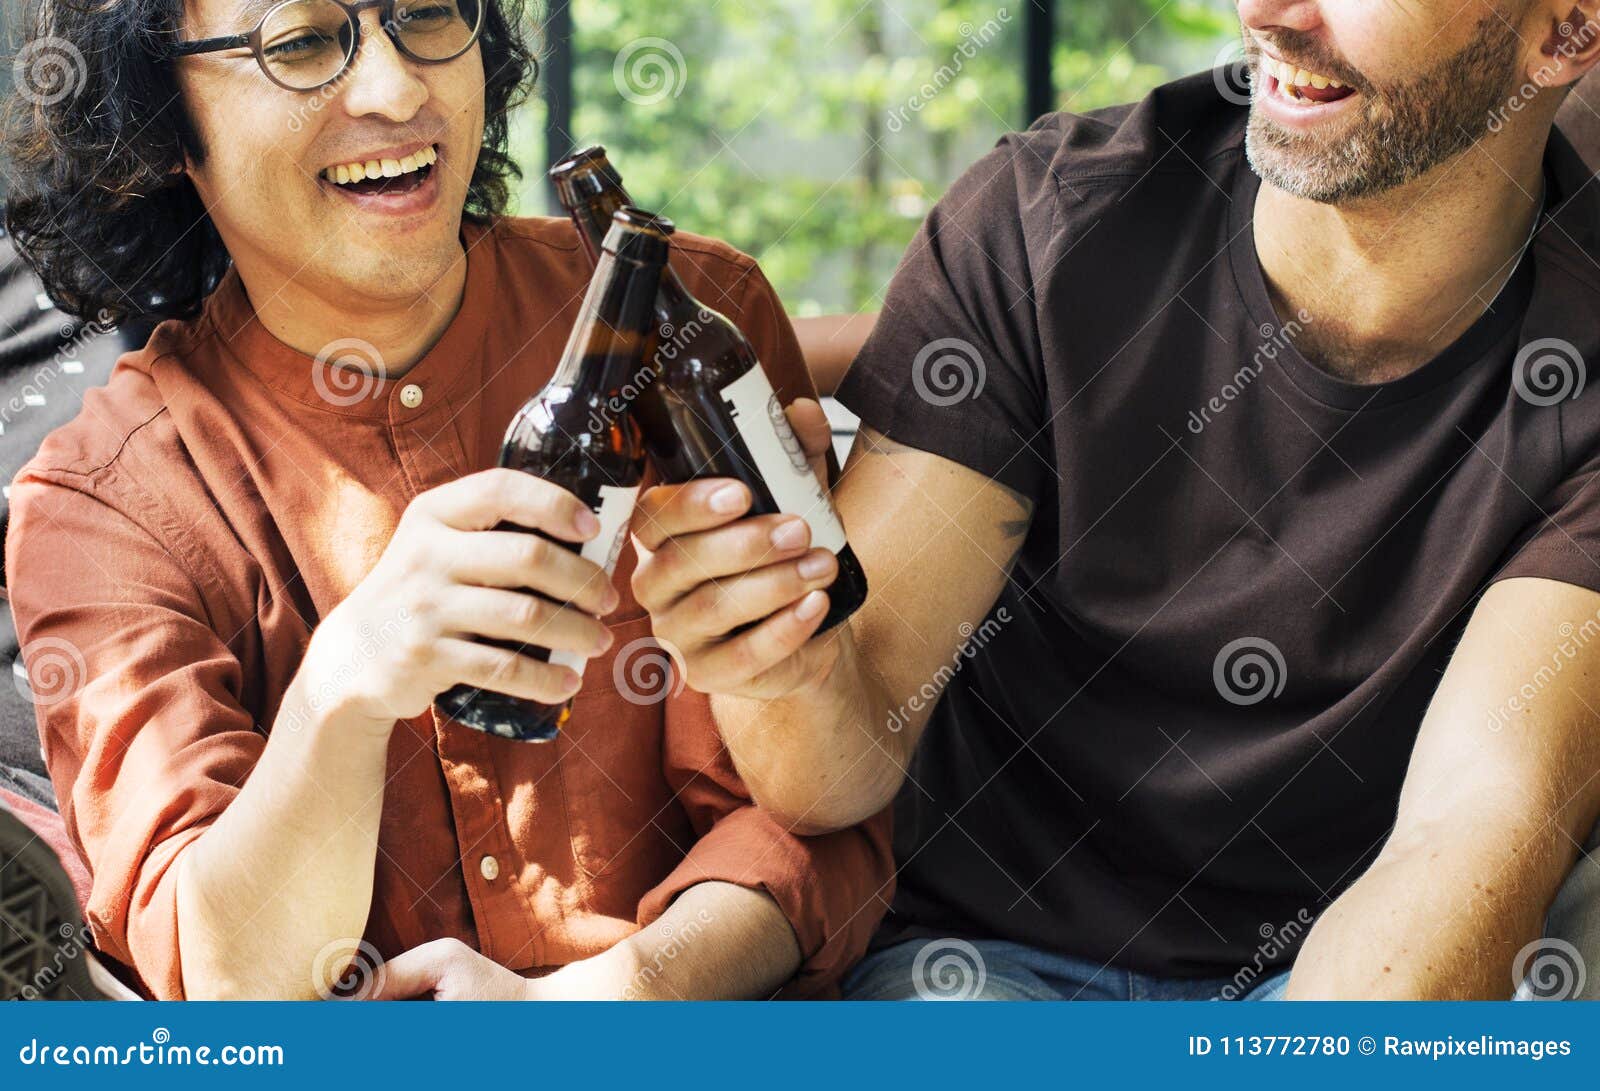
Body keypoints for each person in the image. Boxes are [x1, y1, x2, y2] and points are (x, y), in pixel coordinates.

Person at [630, 0, 1600, 1000]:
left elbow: (1467, 833)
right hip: (976, 967)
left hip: (1328, 981)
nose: (1267, 12)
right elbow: (837, 769)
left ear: (1566, 32)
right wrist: (780, 659)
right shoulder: (1044, 223)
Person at [1, 0, 890, 1000]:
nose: (395, 89)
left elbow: (822, 814)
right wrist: (341, 692)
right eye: (301, 42)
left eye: (426, 13)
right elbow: (222, 978)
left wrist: (596, 1005)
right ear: (163, 121)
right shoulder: (101, 500)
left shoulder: (690, 326)